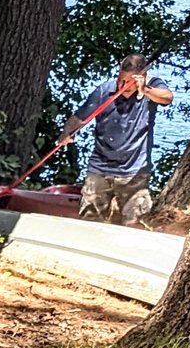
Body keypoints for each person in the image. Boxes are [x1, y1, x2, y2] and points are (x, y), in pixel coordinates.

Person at [52, 54, 174, 225]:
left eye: (128, 83)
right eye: (120, 80)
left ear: (141, 78)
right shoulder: (104, 91)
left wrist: (144, 89)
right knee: (88, 220)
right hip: (100, 168)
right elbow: (79, 117)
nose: (122, 86)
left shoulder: (151, 88)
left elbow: (167, 97)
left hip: (135, 170)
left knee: (136, 223)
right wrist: (66, 133)